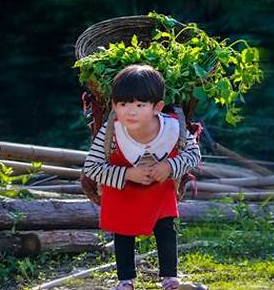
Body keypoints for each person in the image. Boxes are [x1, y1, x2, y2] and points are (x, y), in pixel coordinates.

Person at [82, 64, 202, 290]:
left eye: (139, 105)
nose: (130, 111)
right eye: (123, 104)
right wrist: (128, 174)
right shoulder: (112, 132)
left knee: (166, 228)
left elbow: (194, 154)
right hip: (123, 191)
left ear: (157, 107)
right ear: (114, 105)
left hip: (160, 188)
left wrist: (170, 166)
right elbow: (92, 167)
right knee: (123, 232)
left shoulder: (173, 128)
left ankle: (169, 277)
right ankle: (125, 279)